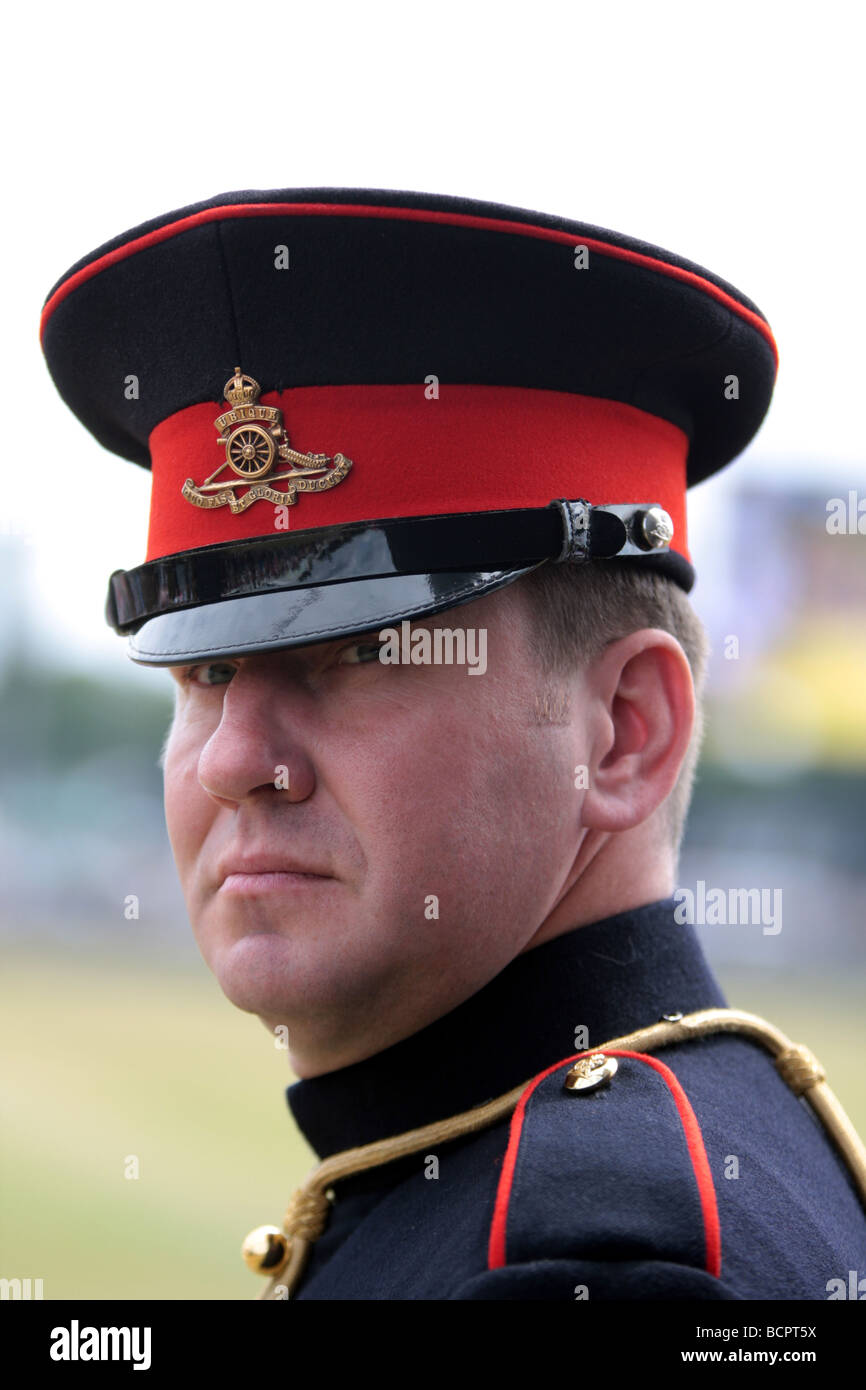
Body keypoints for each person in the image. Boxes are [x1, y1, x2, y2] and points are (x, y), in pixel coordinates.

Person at [41, 187, 866, 1301]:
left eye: (355, 656)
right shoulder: (641, 1146)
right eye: (204, 674)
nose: (233, 761)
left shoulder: (588, 1260)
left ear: (622, 734)